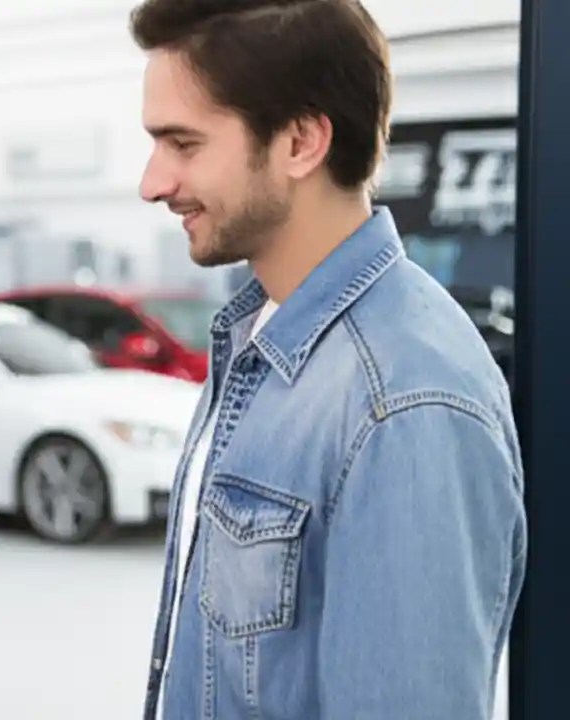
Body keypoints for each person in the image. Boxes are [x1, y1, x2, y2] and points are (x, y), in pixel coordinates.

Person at [128, 1, 527, 718]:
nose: (152, 182)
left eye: (183, 144)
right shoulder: (259, 337)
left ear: (302, 141)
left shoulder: (406, 400)